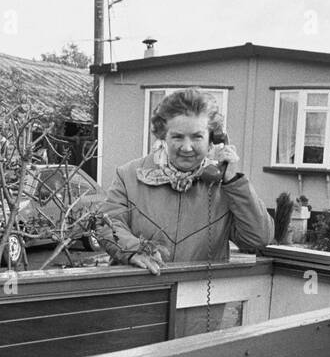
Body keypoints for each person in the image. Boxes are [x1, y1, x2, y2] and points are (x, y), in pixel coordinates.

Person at [98, 88, 273, 273]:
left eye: (197, 136)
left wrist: (234, 183)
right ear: (163, 136)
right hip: (139, 293)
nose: (187, 147)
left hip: (196, 295)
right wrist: (135, 251)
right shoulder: (129, 175)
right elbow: (107, 224)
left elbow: (258, 238)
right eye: (177, 136)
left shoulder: (225, 186)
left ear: (213, 139)